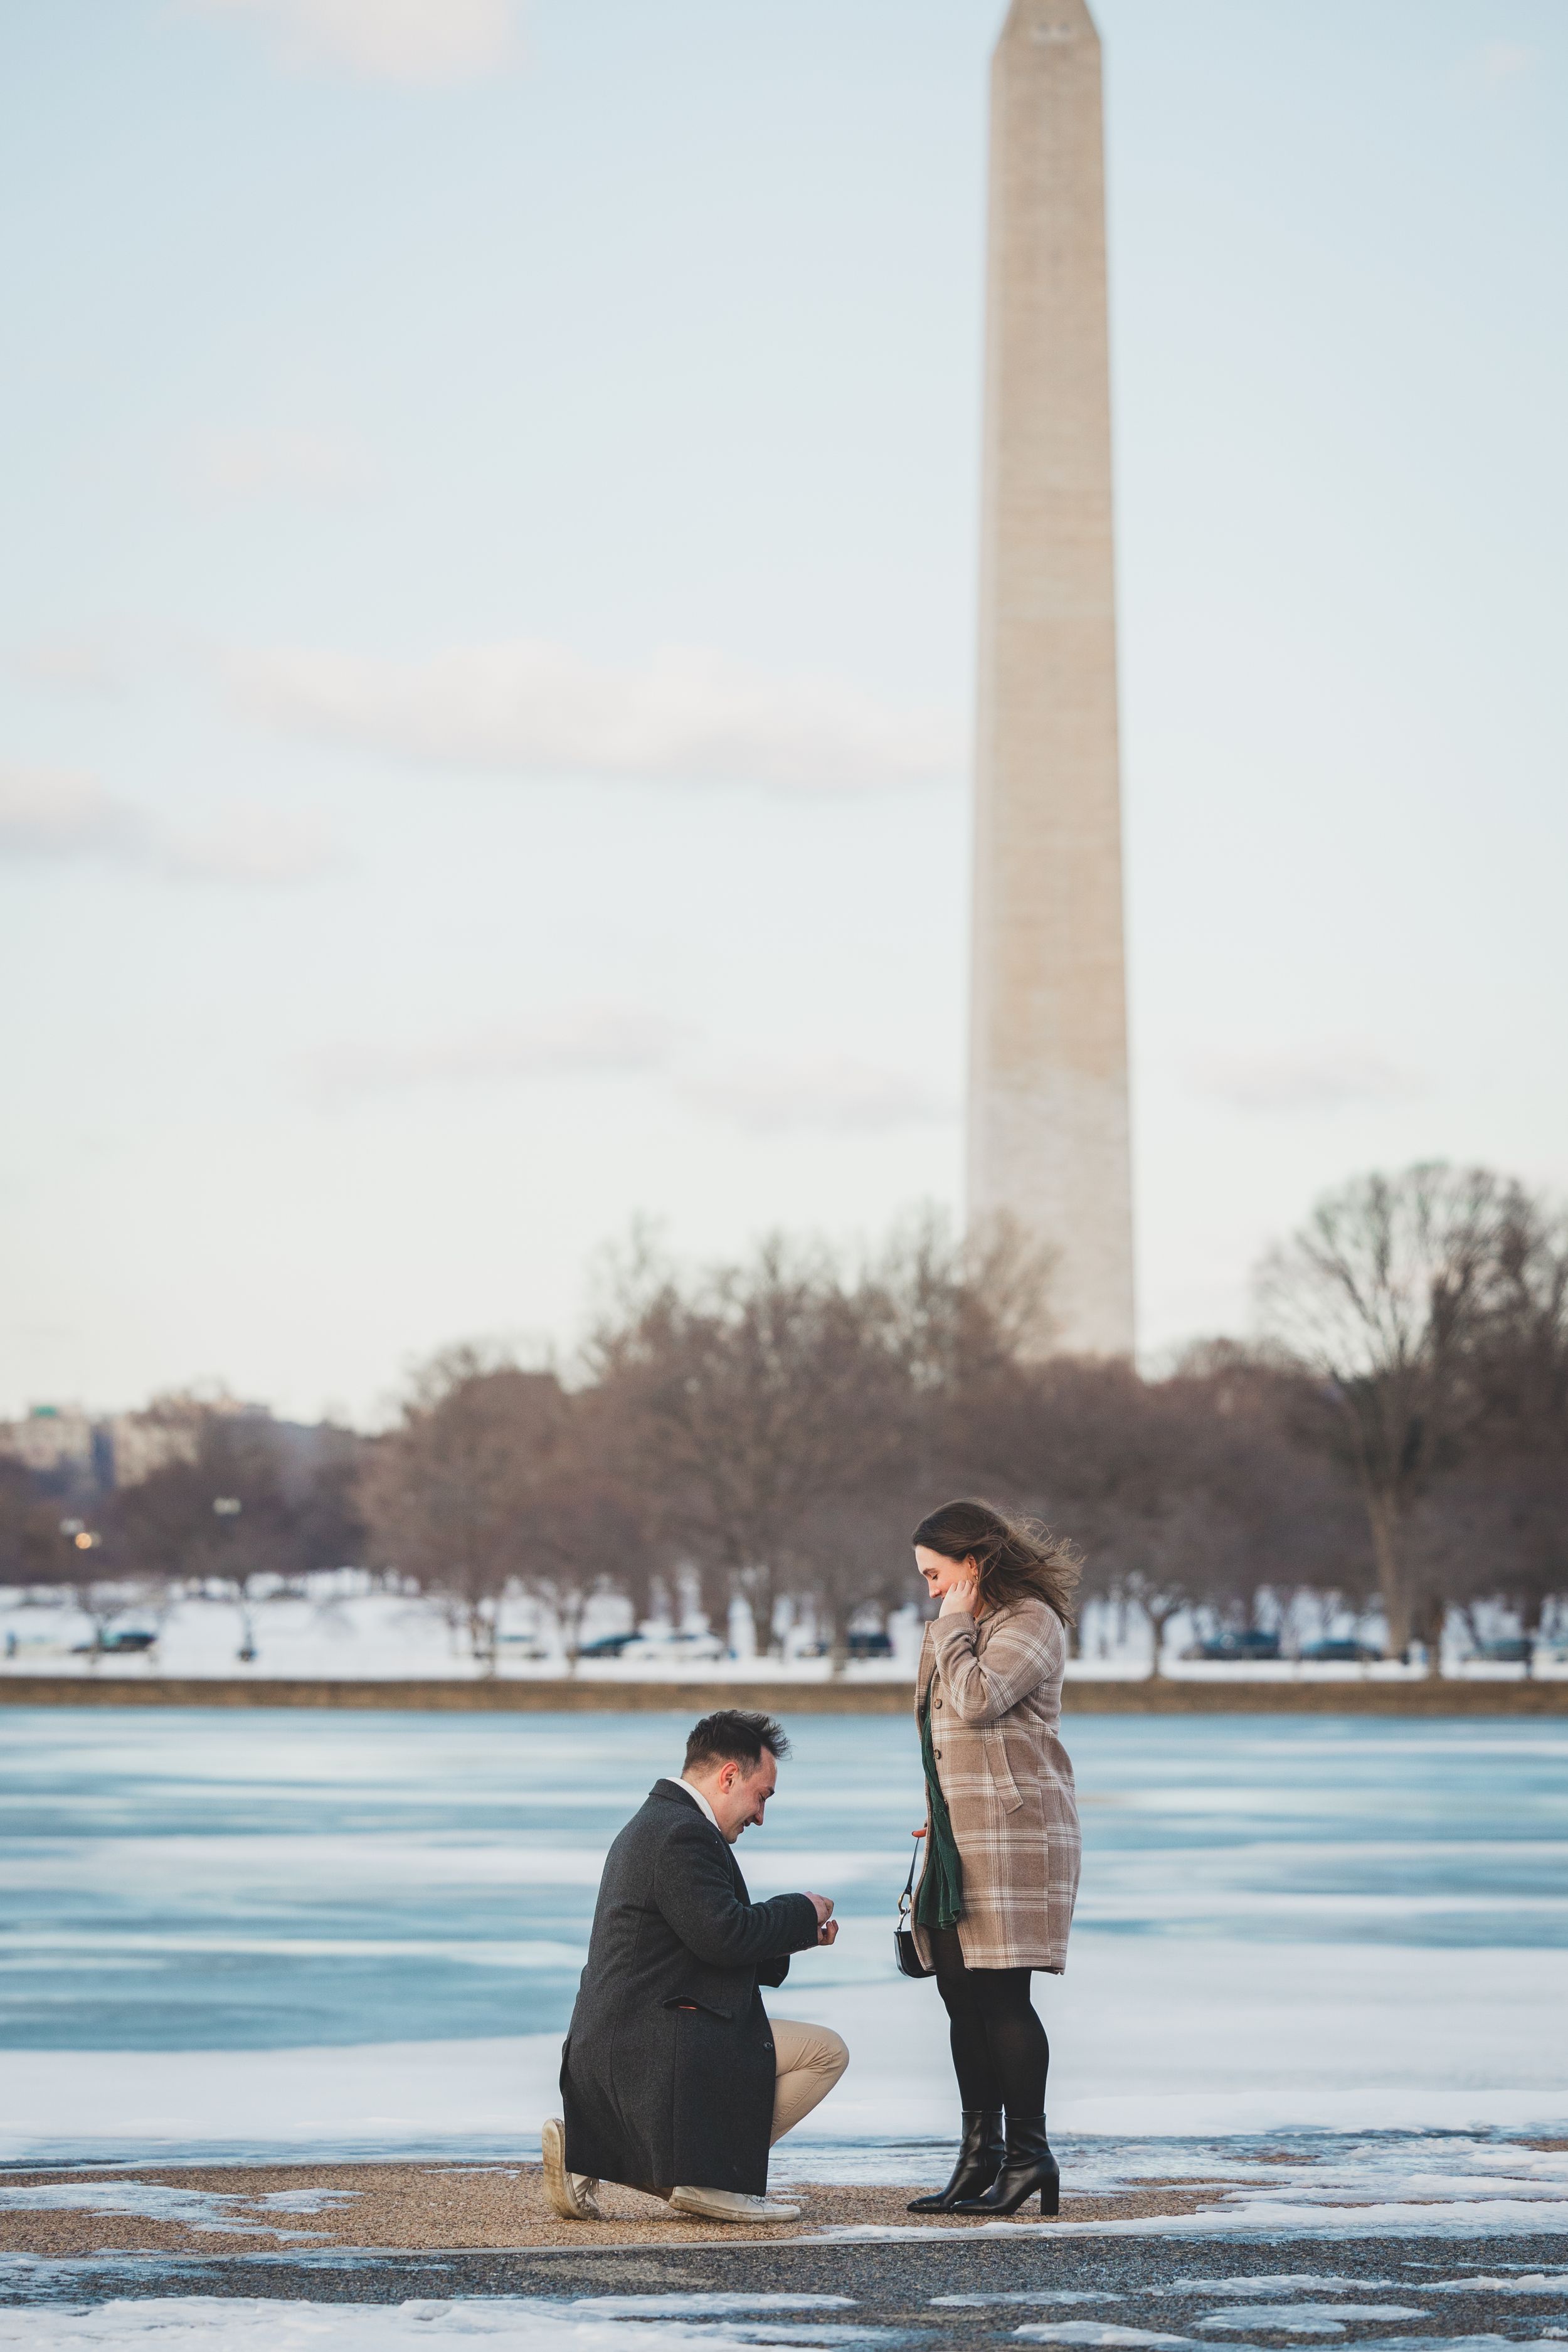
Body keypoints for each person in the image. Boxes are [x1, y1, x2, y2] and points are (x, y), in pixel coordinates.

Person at [543, 1708, 849, 2227]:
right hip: (650, 2041)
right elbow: (725, 1937)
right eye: (762, 1796)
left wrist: (796, 1940)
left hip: (613, 2042)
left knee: (796, 2045)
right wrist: (801, 1909)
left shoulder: (660, 1822)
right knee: (825, 2053)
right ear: (729, 1775)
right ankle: (709, 2174)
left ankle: (595, 2145)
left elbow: (703, 1936)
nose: (760, 1817)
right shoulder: (681, 1834)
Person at [904, 1499, 1081, 2218]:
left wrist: (951, 1626)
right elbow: (938, 1730)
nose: (929, 1590)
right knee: (957, 1996)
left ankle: (1028, 2157)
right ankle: (979, 2157)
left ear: (971, 1563)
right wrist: (941, 1807)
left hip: (1015, 1836)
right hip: (959, 1834)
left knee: (1002, 1996)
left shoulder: (1030, 1622)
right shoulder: (960, 1625)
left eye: (935, 1573)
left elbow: (977, 1702)